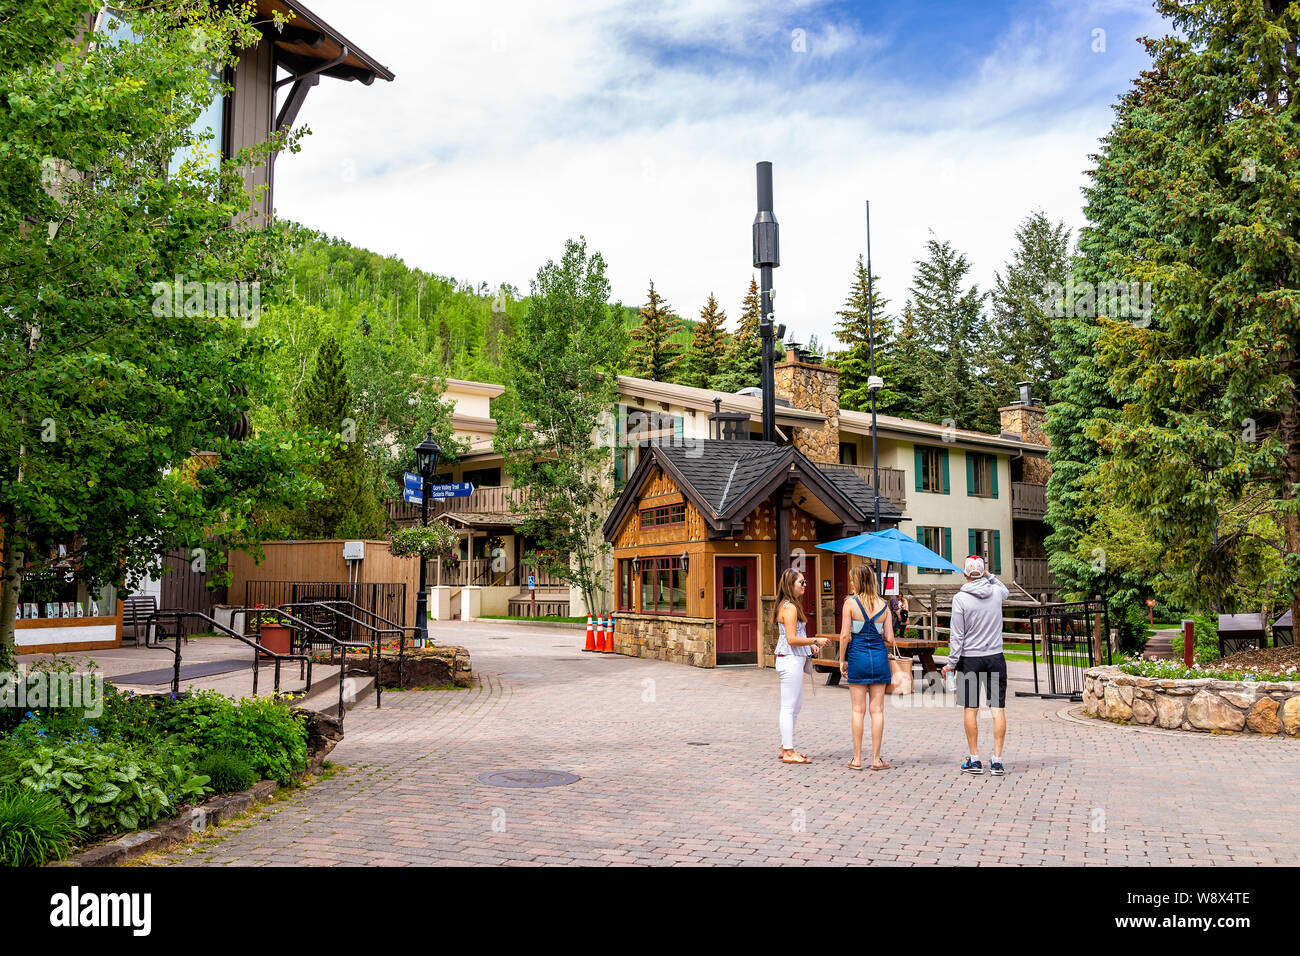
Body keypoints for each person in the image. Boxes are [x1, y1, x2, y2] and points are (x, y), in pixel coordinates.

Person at [942, 554, 1010, 775]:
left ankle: (974, 759)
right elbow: (1006, 590)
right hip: (995, 655)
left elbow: (957, 636)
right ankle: (997, 760)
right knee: (997, 708)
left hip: (970, 658)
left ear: (964, 573)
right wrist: (988, 575)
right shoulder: (996, 593)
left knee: (971, 708)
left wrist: (951, 663)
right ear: (983, 573)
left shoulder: (960, 599)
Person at [838, 563, 893, 770]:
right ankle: (877, 759)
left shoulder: (850, 604)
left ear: (859, 581)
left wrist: (842, 659)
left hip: (857, 657)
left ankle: (857, 758)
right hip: (878, 658)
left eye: (853, 579)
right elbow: (888, 637)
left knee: (857, 710)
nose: (851, 582)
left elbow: (845, 635)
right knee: (877, 711)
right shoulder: (884, 605)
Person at [774, 568, 829, 764]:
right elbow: (791, 639)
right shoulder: (790, 608)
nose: (805, 585)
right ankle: (788, 751)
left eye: (805, 582)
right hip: (789, 659)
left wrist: (810, 646)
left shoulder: (790, 606)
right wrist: (815, 640)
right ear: (791, 585)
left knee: (795, 705)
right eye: (801, 582)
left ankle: (784, 746)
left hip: (792, 658)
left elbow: (794, 637)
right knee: (789, 706)